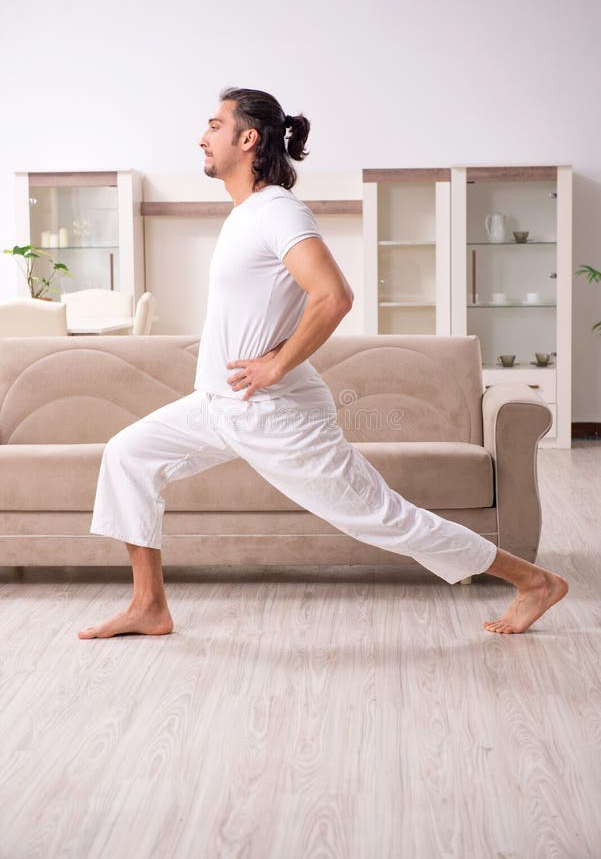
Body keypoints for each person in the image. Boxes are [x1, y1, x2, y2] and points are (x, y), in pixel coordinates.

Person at [78, 87, 568, 640]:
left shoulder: (278, 211)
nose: (202, 137)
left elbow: (333, 295)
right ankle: (149, 606)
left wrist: (277, 366)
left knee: (383, 517)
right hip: (220, 405)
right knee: (128, 455)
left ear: (248, 138)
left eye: (214, 126)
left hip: (273, 413)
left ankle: (534, 582)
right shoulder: (244, 214)